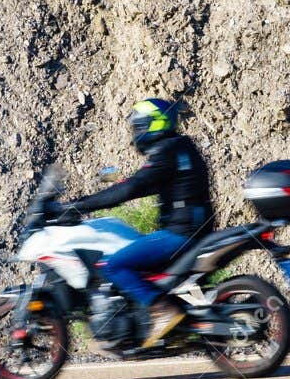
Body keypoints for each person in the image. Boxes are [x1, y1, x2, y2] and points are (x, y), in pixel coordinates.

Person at [64, 98, 214, 349]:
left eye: (139, 126)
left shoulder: (166, 152)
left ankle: (161, 309)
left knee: (114, 265)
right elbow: (142, 185)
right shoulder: (182, 148)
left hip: (180, 234)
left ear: (152, 124)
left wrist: (79, 205)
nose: (137, 132)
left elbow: (132, 188)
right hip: (194, 230)